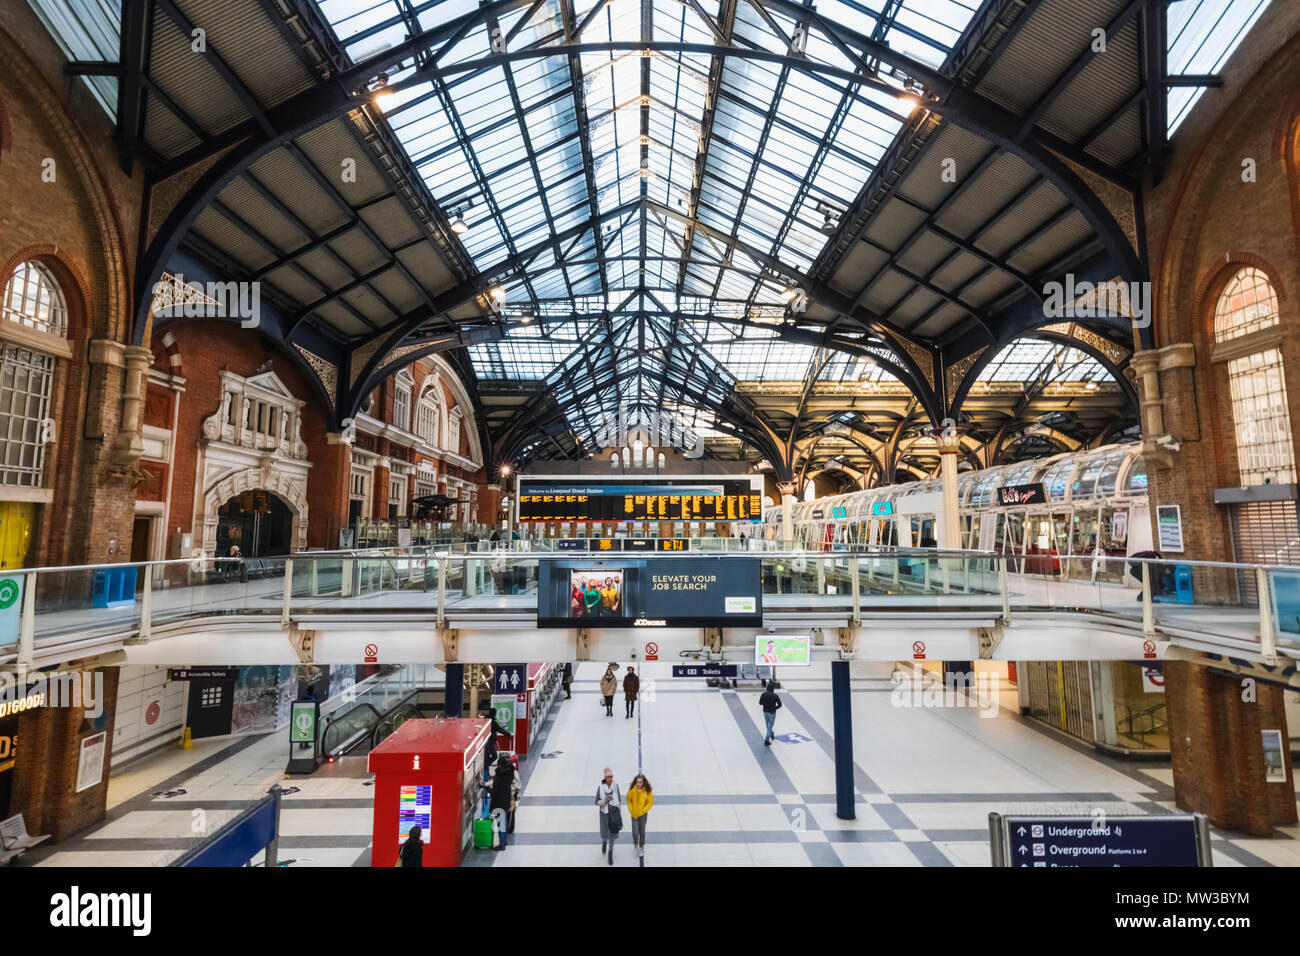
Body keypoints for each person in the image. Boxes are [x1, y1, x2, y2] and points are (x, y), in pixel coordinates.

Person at [484, 753, 521, 851]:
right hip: (506, 800)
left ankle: (502, 845)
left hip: (498, 803)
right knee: (503, 823)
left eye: (498, 764)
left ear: (500, 765)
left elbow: (494, 791)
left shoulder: (498, 777)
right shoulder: (510, 773)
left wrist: (486, 787)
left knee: (501, 825)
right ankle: (504, 842)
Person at [595, 767, 621, 864]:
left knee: (613, 835)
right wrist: (604, 801)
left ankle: (610, 853)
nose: (610, 779)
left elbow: (619, 799)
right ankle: (604, 842)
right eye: (608, 777)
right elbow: (596, 802)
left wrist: (619, 809)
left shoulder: (616, 786)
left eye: (611, 777)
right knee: (605, 833)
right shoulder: (601, 787)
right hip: (604, 815)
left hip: (613, 814)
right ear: (605, 778)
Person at [627, 773, 653, 858]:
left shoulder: (647, 791)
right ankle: (635, 844)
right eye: (637, 782)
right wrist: (631, 809)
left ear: (643, 782)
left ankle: (641, 847)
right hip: (634, 814)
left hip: (643, 815)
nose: (639, 784)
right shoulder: (632, 790)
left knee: (642, 831)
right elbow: (628, 800)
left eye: (640, 782)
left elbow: (650, 802)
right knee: (635, 831)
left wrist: (643, 810)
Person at [759, 679, 782, 746]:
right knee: (770, 726)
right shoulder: (775, 696)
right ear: (772, 689)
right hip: (772, 713)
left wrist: (765, 703)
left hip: (765, 712)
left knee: (768, 726)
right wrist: (775, 708)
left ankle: (771, 734)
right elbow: (780, 705)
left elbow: (760, 703)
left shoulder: (763, 694)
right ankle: (766, 740)